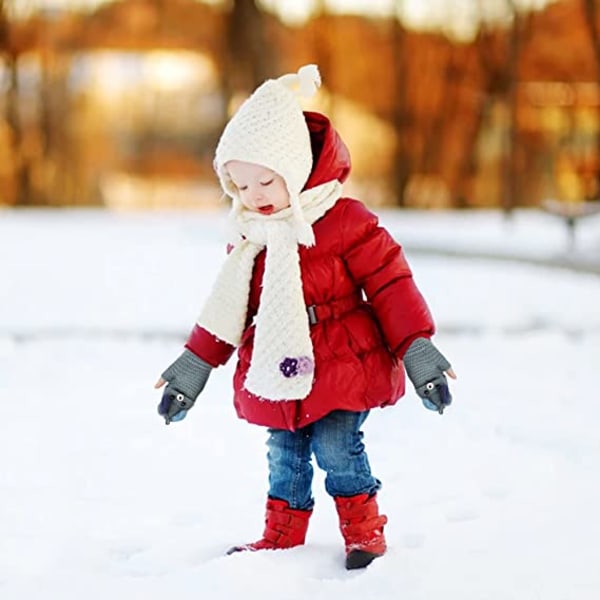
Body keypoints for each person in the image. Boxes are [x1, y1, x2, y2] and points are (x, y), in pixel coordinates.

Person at [155, 64, 456, 570]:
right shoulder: (249, 235)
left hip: (342, 358)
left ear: (293, 168)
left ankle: (364, 532)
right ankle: (281, 535)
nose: (253, 196)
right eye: (239, 185)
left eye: (265, 181)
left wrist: (417, 350)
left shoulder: (344, 220)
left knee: (338, 447)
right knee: (284, 454)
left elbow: (389, 284)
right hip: (277, 361)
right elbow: (227, 309)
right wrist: (192, 369)